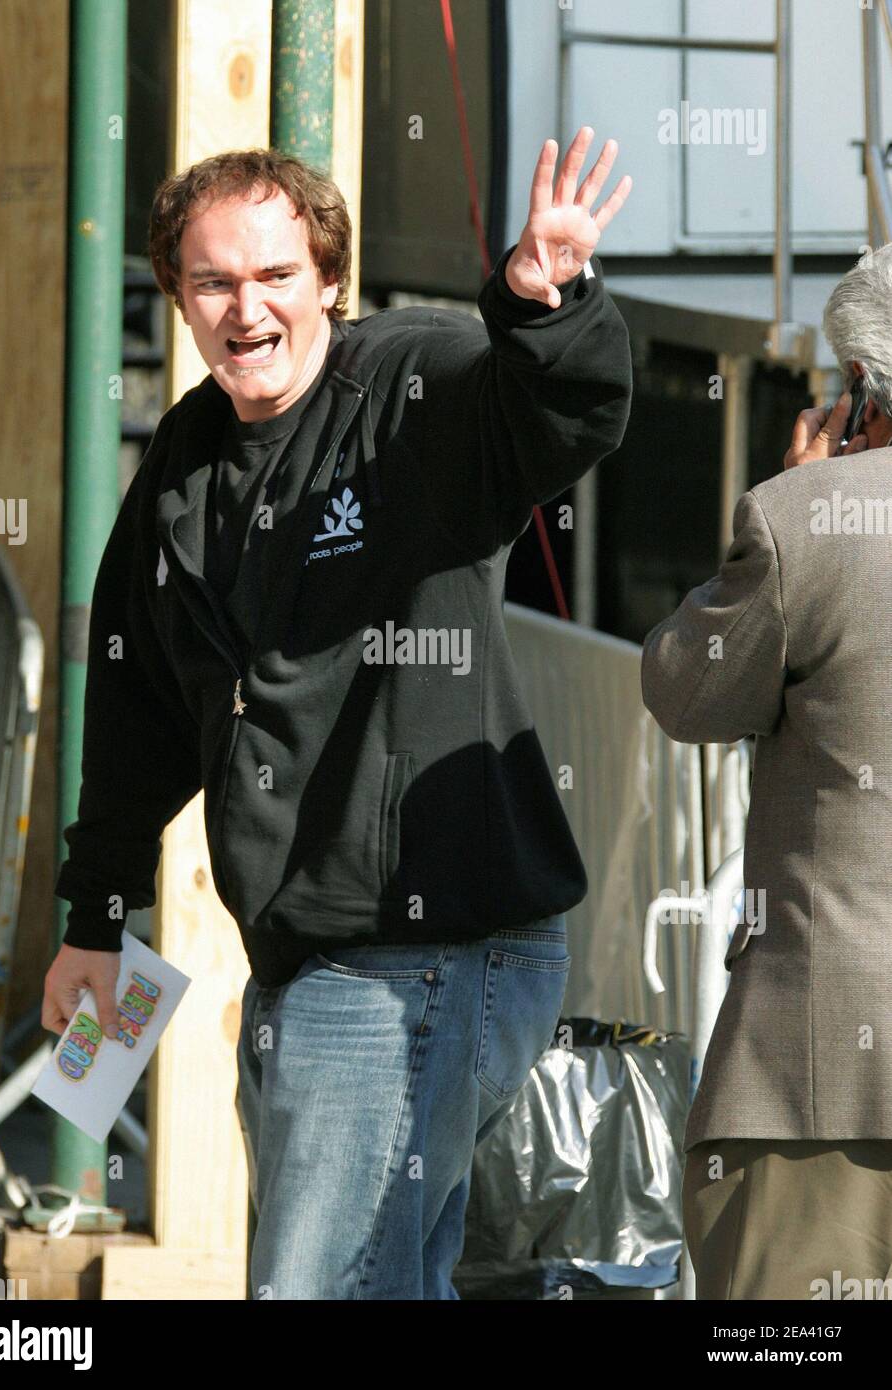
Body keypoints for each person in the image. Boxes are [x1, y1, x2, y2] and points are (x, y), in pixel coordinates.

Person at [44, 132, 633, 1299]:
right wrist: (96, 914)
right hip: (305, 958)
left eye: (274, 276)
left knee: (324, 1290)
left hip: (419, 946)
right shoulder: (186, 455)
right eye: (213, 281)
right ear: (177, 295)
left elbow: (559, 416)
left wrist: (547, 305)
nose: (245, 309)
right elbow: (137, 704)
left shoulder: (416, 385)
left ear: (328, 280)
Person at [641, 244, 892, 1300]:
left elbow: (685, 692)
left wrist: (805, 497)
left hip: (817, 1085)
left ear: (865, 390)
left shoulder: (812, 524)